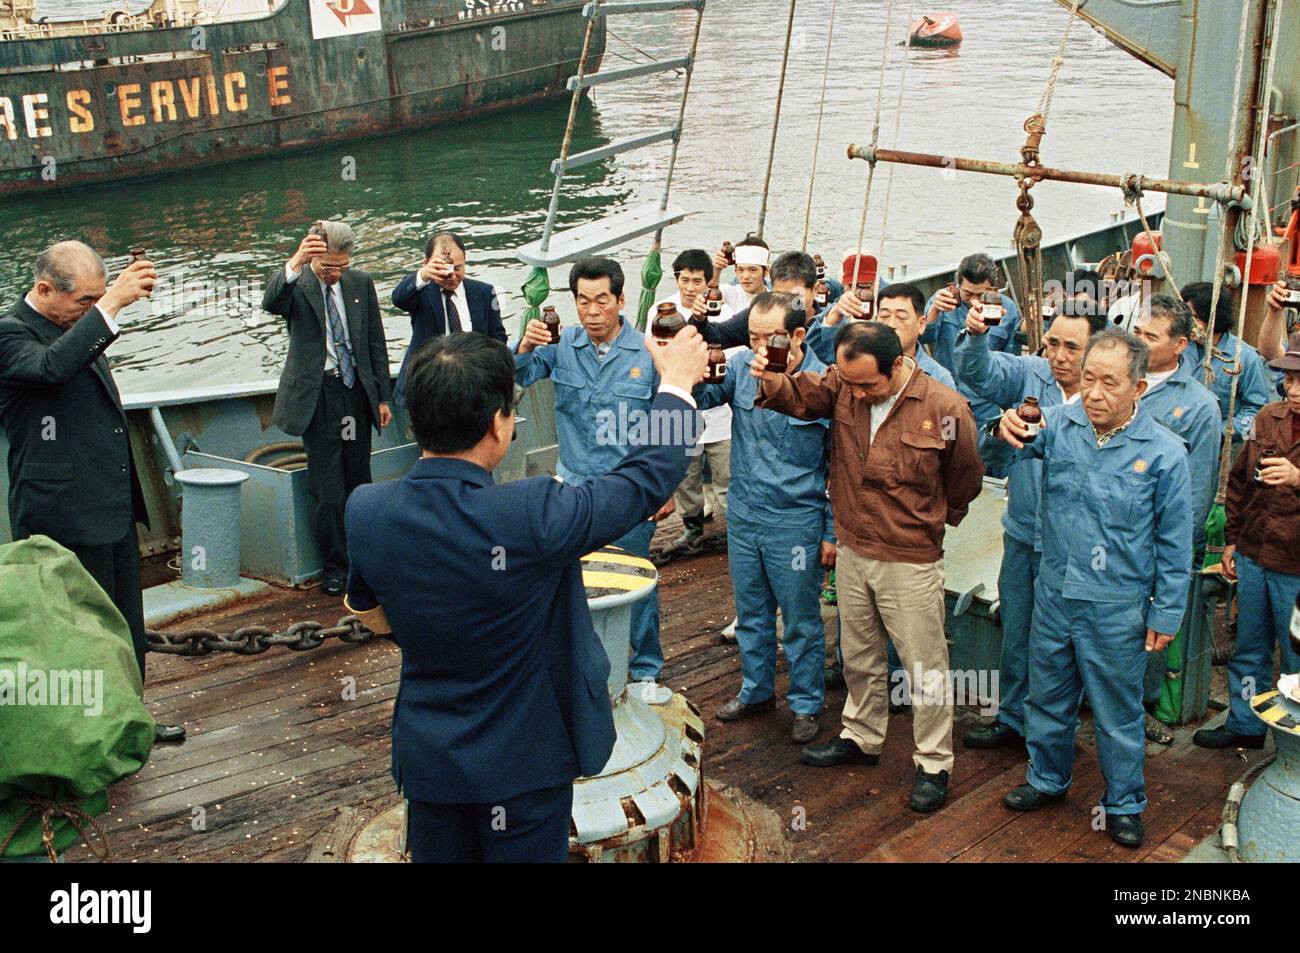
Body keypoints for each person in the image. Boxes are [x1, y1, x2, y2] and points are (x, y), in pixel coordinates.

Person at [343, 330, 706, 862]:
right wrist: (675, 385)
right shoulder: (530, 513)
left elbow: (371, 609)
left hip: (430, 760)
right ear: (497, 423)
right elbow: (645, 479)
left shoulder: (366, 510)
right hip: (523, 767)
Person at [755, 321, 983, 812]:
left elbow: (965, 477)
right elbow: (798, 396)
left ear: (898, 364)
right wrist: (773, 379)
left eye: (866, 385)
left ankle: (934, 763)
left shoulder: (946, 409)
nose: (855, 393)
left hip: (909, 557)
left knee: (925, 668)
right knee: (858, 652)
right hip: (855, 547)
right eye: (848, 382)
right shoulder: (842, 382)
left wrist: (934, 521)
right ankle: (861, 736)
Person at [996, 329, 1192, 849]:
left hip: (1117, 606)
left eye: (1110, 382)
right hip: (1055, 593)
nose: (1095, 394)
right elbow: (1005, 451)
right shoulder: (1058, 425)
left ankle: (1124, 802)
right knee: (1049, 695)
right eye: (1088, 380)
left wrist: (1165, 614)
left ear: (1140, 388)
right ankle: (1046, 778)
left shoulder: (1166, 454)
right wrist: (1005, 427)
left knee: (1116, 710)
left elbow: (1176, 545)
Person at [0, 241, 184, 743]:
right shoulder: (10, 334)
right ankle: (88, 735)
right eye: (83, 301)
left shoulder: (72, 326)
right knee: (79, 629)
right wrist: (111, 305)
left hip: (109, 503)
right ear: (43, 289)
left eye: (95, 299)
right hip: (61, 513)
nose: (90, 310)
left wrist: (102, 303)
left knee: (125, 619)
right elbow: (50, 369)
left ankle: (131, 722)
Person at [514, 257, 680, 701]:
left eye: (601, 300)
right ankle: (577, 667)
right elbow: (515, 379)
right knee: (570, 581)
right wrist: (525, 346)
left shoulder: (648, 352)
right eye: (582, 301)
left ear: (621, 300)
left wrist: (663, 488)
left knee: (638, 582)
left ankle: (646, 670)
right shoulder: (561, 344)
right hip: (572, 486)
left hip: (629, 492)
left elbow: (675, 418)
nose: (591, 311)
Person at [955, 300, 1108, 749]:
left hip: (1075, 545)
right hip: (1023, 531)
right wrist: (978, 335)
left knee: (1062, 640)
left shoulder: (1107, 401)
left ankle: (1052, 728)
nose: (1058, 356)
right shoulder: (1030, 374)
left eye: (1071, 348)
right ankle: (1011, 716)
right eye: (1053, 343)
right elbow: (978, 373)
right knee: (1017, 629)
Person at [693, 292, 833, 743]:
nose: (756, 347)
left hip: (796, 520)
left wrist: (831, 531)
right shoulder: (740, 368)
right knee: (751, 613)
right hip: (746, 513)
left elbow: (841, 466)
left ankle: (807, 703)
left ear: (797, 334)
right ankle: (756, 690)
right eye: (749, 337)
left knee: (800, 619)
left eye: (766, 338)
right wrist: (692, 360)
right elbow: (705, 396)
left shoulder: (825, 385)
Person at [262, 221, 394, 596]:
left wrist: (382, 396)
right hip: (318, 396)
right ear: (314, 257)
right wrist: (297, 262)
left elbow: (375, 342)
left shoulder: (359, 283)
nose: (334, 274)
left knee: (358, 480)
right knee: (328, 488)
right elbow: (270, 302)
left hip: (355, 393)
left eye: (341, 266)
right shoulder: (298, 283)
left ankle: (366, 560)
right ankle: (335, 566)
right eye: (327, 267)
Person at [1194, 341, 1300, 749]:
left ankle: (1292, 747)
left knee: (1296, 661)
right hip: (1255, 555)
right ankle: (1245, 723)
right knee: (1249, 647)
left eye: (1299, 381)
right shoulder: (1266, 417)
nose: (1290, 390)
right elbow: (1239, 483)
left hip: (1296, 568)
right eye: (1288, 380)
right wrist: (1232, 540)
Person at [659, 249, 735, 552]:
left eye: (697, 281)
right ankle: (691, 526)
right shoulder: (661, 312)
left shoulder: (724, 315)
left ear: (709, 283)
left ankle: (734, 526)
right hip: (683, 404)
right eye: (684, 280)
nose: (690, 287)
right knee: (686, 471)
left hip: (719, 409)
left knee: (726, 470)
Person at [921, 252, 1023, 476]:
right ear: (958, 285)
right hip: (950, 400)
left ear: (994, 288)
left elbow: (1012, 362)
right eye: (968, 294)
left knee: (982, 455)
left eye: (982, 294)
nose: (975, 301)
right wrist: (934, 311)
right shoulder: (944, 302)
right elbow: (923, 337)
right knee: (949, 448)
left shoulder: (1006, 310)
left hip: (985, 403)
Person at [391, 231, 507, 408]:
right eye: (443, 269)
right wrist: (424, 275)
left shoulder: (485, 292)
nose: (451, 275)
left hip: (474, 385)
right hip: (431, 386)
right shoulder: (421, 292)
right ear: (426, 263)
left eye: (458, 268)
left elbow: (498, 338)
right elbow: (399, 299)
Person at [810, 280, 954, 388]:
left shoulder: (939, 378)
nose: (891, 324)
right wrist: (833, 316)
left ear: (921, 324)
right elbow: (814, 358)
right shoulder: (856, 360)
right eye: (884, 316)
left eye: (901, 317)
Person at [1179, 282, 1270, 442]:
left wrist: (1217, 433)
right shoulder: (1178, 347)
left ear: (1212, 316)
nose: (1186, 322)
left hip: (1218, 450)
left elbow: (1258, 412)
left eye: (1193, 317)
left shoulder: (1245, 357)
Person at [711, 235, 771, 313]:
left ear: (766, 271)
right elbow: (705, 294)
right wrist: (716, 269)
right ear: (735, 271)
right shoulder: (730, 293)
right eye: (740, 270)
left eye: (752, 270)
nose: (745, 276)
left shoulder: (775, 301)